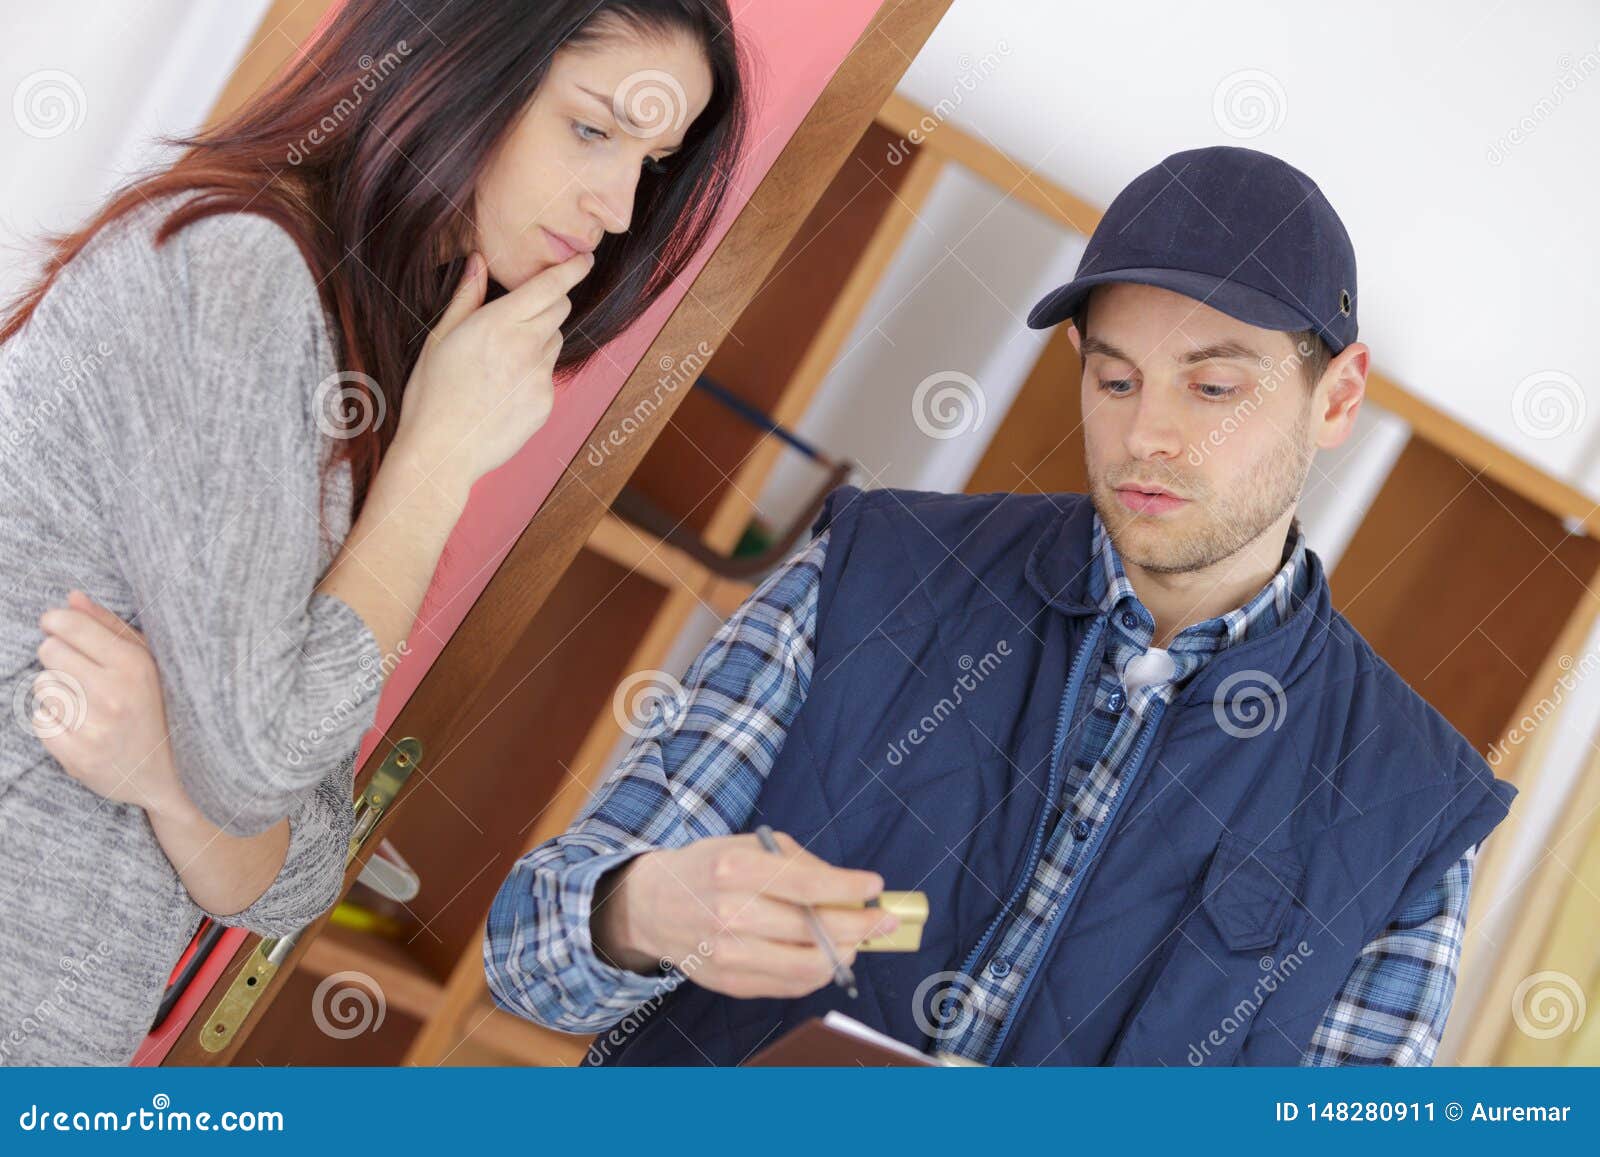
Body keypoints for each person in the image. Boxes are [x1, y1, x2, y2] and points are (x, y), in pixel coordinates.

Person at [483, 145, 1517, 1066]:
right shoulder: (869, 571)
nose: (1148, 435)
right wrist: (643, 911)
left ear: (1337, 398)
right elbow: (527, 957)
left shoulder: (1413, 805)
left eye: (1212, 389)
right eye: (1115, 381)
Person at [0, 0, 747, 1065]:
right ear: (454, 61)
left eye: (651, 162)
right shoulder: (241, 271)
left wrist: (167, 774)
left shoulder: (359, 333)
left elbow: (299, 870)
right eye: (592, 129)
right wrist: (436, 464)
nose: (619, 207)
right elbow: (258, 772)